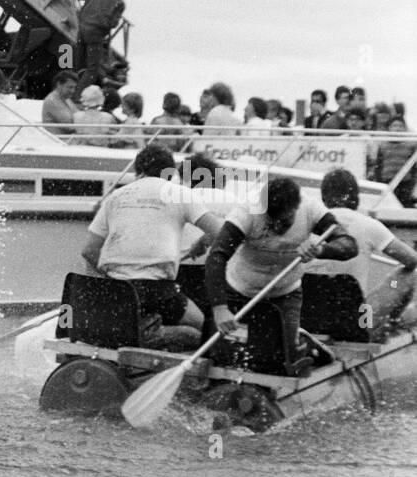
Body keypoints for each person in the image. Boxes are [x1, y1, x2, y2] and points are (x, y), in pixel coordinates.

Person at [205, 176, 358, 375]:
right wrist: (220, 308)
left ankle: (299, 340)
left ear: (296, 207)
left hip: (285, 293)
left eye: (284, 221)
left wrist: (322, 250)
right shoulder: (246, 211)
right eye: (271, 221)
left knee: (284, 364)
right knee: (228, 356)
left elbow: (349, 245)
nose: (277, 227)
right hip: (240, 290)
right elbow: (216, 257)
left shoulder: (311, 209)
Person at [79, 144, 225, 344]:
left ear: (137, 171)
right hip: (158, 291)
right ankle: (156, 335)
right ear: (170, 172)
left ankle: (148, 331)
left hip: (116, 291)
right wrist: (203, 242)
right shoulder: (179, 193)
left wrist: (117, 276)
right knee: (210, 333)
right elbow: (221, 233)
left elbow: (89, 250)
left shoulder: (115, 196)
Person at [308, 168, 417, 331]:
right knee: (407, 274)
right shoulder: (368, 224)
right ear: (355, 197)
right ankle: (391, 322)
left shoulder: (306, 225)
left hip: (310, 318)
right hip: (356, 320)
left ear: (323, 198)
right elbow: (412, 260)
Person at [71, 0, 128, 83]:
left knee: (77, 63)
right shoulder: (119, 2)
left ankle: (70, 86)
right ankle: (78, 95)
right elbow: (114, 23)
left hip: (82, 30)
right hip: (96, 35)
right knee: (92, 69)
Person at [374, 117, 417, 205]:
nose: (397, 128)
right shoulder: (382, 145)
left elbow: (414, 168)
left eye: (401, 126)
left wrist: (411, 184)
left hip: (405, 183)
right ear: (389, 128)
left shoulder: (411, 145)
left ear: (405, 129)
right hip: (386, 183)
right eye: (394, 126)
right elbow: (379, 166)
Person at [41, 71, 80, 136]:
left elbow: (78, 116)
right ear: (59, 85)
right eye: (70, 87)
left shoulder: (67, 99)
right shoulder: (52, 101)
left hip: (69, 140)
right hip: (58, 142)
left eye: (74, 87)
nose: (73, 91)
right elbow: (69, 126)